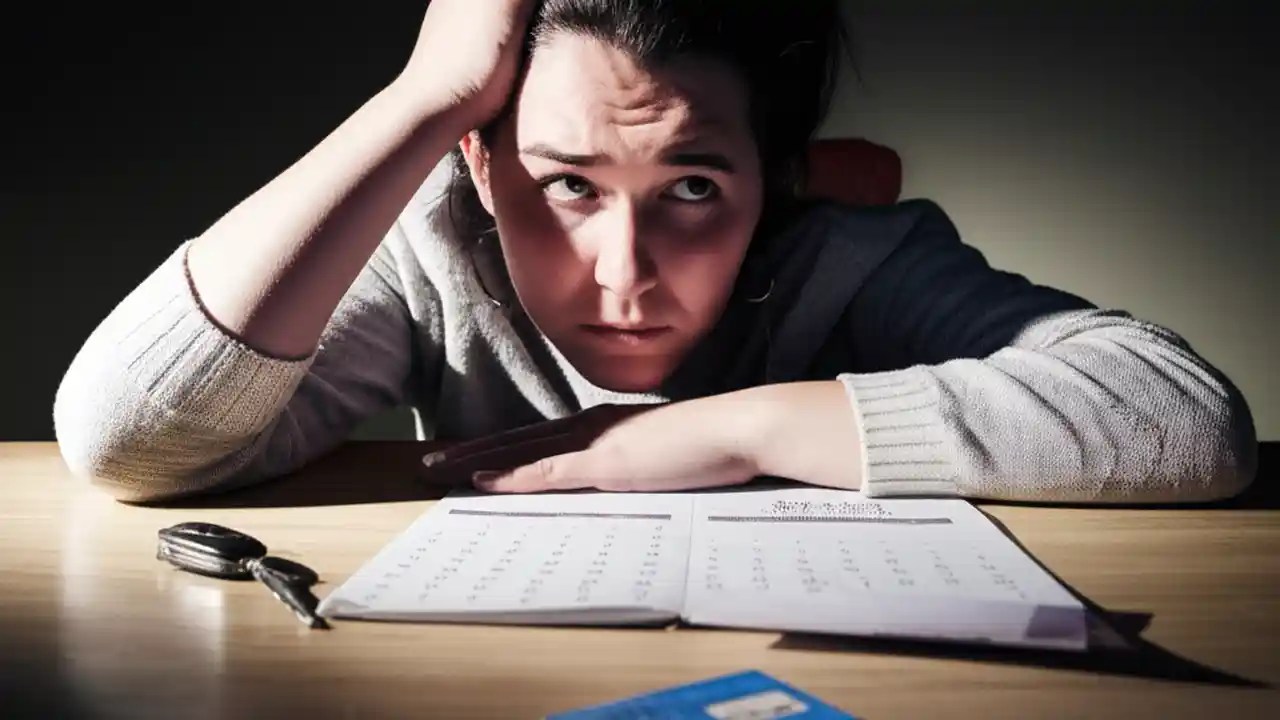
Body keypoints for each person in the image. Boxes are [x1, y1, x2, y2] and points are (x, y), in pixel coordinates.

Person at [54, 0, 1256, 504]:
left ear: (773, 179)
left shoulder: (848, 253)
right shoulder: (437, 249)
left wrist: (721, 430)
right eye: (565, 184)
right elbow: (127, 442)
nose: (622, 271)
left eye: (690, 186)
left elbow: (1188, 425)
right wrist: (423, 96)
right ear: (479, 166)